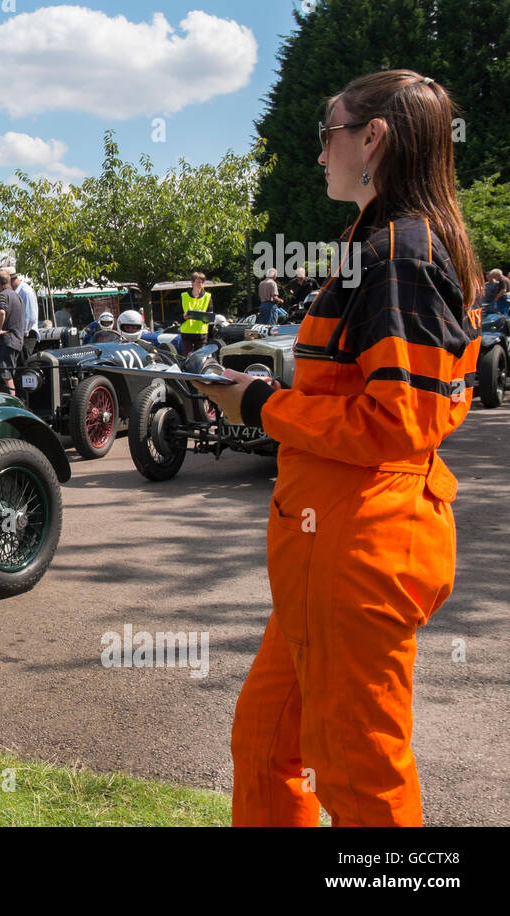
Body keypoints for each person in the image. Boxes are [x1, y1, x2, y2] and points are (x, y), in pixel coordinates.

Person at [197, 70, 482, 827]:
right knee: (265, 745)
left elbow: (398, 424)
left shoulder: (399, 252)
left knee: (357, 775)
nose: (319, 153)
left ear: (372, 137)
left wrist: (256, 403)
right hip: (330, 540)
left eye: (327, 132)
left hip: (362, 543)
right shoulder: (379, 244)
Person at [0, 270, 26, 396]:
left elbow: (2, 312)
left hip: (7, 340)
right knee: (10, 374)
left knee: (5, 373)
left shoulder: (3, 295)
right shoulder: (17, 296)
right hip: (17, 340)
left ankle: (12, 402)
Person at [179, 272, 213, 355]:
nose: (200, 284)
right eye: (198, 282)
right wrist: (183, 316)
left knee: (200, 359)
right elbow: (176, 314)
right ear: (192, 282)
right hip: (187, 333)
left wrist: (204, 316)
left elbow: (210, 316)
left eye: (202, 282)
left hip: (201, 334)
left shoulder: (207, 296)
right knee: (188, 358)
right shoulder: (184, 296)